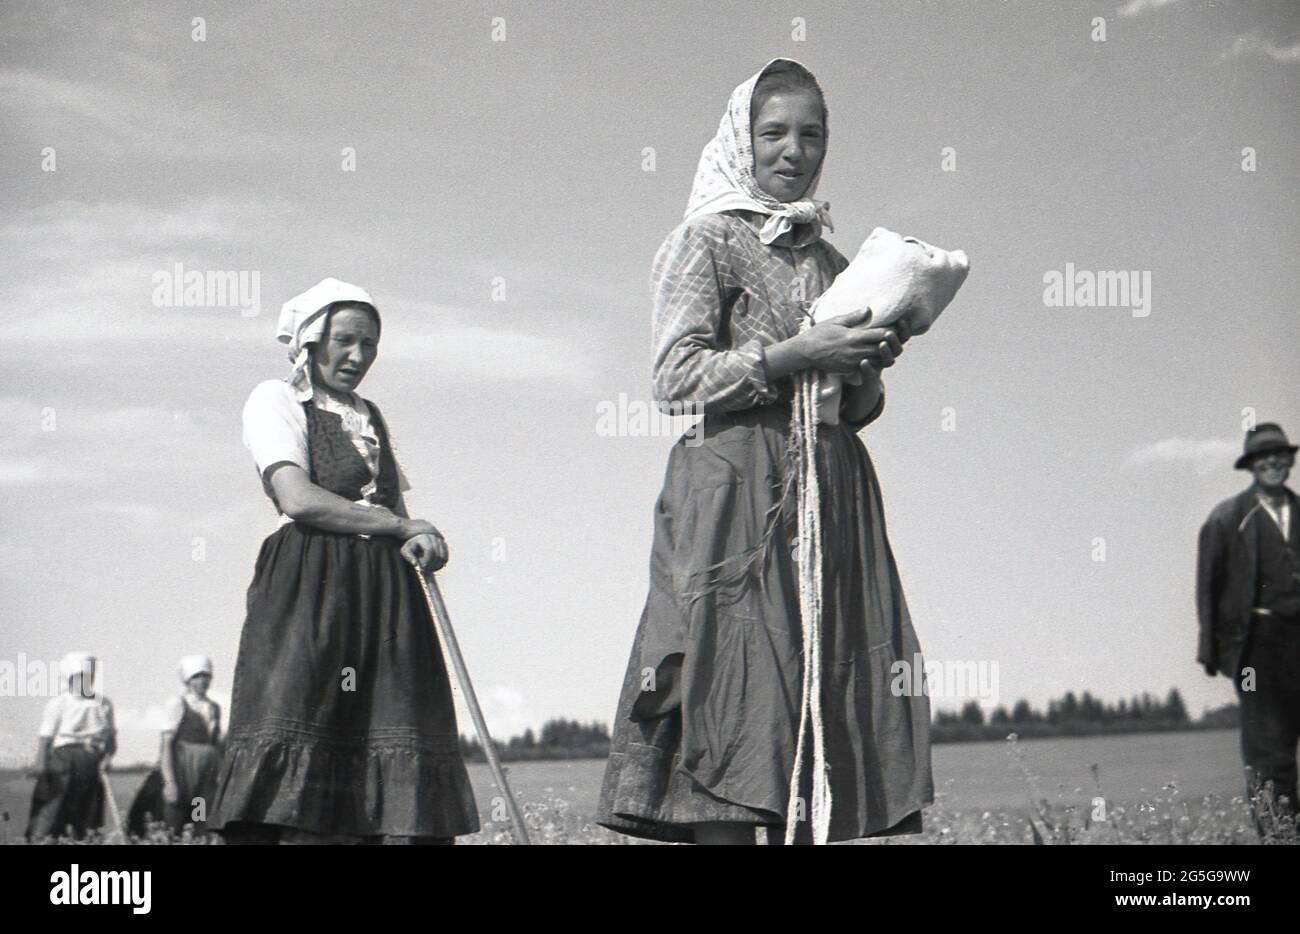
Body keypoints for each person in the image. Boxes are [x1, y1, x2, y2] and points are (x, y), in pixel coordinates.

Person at [596, 59, 934, 844]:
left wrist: (870, 362)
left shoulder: (836, 261)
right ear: (740, 140)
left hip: (831, 479)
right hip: (735, 480)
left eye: (811, 134)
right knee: (736, 678)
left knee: (827, 676)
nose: (793, 151)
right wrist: (794, 354)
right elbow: (674, 379)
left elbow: (856, 407)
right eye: (774, 132)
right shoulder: (703, 240)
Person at [208, 277, 479, 844]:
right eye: (345, 341)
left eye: (371, 345)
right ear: (310, 341)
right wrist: (404, 526)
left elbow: (395, 510)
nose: (359, 357)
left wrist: (422, 542)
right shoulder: (276, 399)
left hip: (385, 595)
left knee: (391, 722)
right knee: (309, 712)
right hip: (311, 587)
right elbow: (298, 498)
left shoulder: (371, 415)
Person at [1197, 421, 1300, 840]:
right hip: (1257, 648)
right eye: (1263, 457)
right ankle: (1280, 837)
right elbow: (1207, 587)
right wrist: (1219, 653)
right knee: (1267, 752)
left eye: (1279, 455)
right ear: (1251, 466)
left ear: (1291, 460)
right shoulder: (1227, 518)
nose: (1273, 462)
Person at [127, 655, 223, 838]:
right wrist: (170, 783)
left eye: (205, 676)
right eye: (197, 676)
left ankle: (196, 840)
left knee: (200, 815)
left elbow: (215, 744)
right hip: (182, 770)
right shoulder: (178, 704)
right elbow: (166, 744)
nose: (202, 681)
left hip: (203, 776)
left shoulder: (214, 707)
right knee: (173, 815)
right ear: (188, 680)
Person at [26, 652, 116, 841]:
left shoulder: (104, 704)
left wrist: (106, 759)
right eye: (79, 678)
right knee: (53, 811)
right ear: (70, 679)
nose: (84, 682)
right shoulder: (58, 703)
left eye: (88, 677)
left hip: (93, 762)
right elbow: (45, 739)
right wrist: (41, 766)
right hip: (63, 760)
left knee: (88, 814)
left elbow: (111, 739)